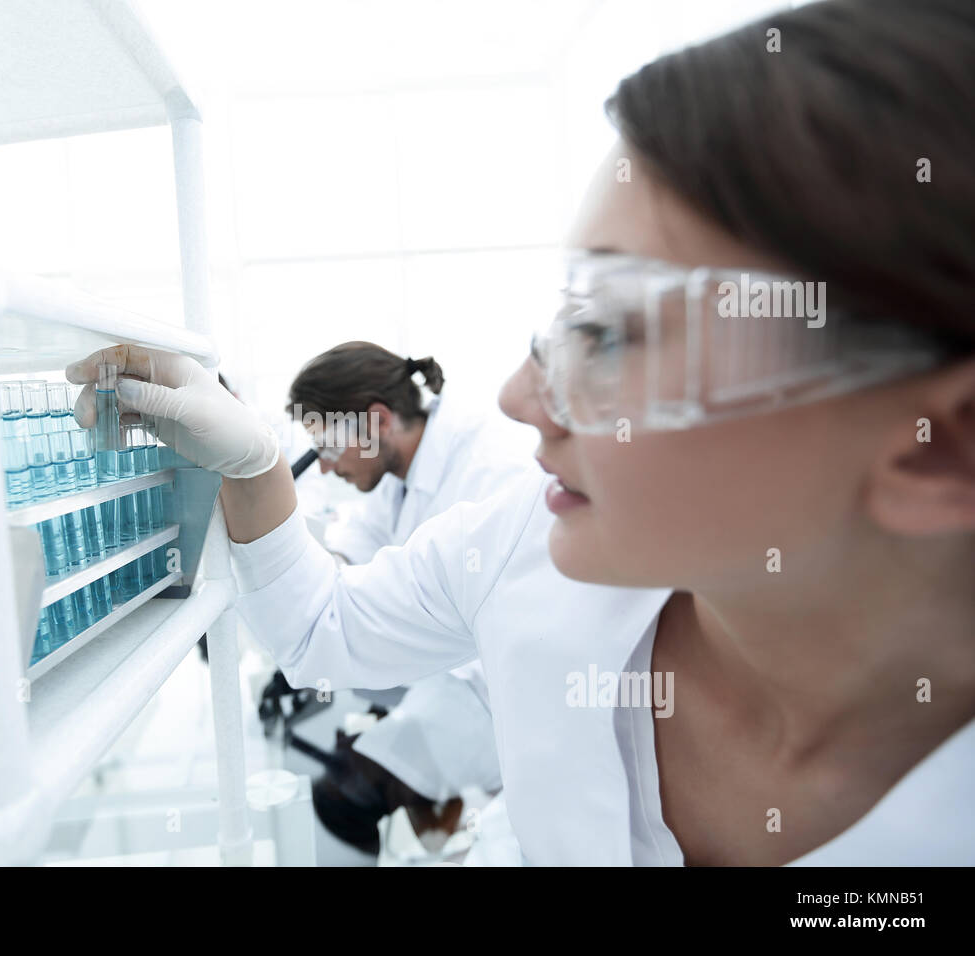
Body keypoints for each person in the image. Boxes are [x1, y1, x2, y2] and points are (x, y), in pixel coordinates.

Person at [70, 0, 975, 864]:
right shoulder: (526, 540)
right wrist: (258, 461)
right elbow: (321, 625)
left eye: (613, 330)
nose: (517, 396)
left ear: (937, 446)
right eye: (563, 325)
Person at [287, 342, 535, 855]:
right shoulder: (393, 471)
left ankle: (443, 811)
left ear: (376, 420)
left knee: (342, 792)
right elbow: (352, 558)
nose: (327, 469)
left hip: (494, 702)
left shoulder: (489, 470)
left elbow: (506, 652)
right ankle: (439, 813)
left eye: (328, 449)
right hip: (444, 685)